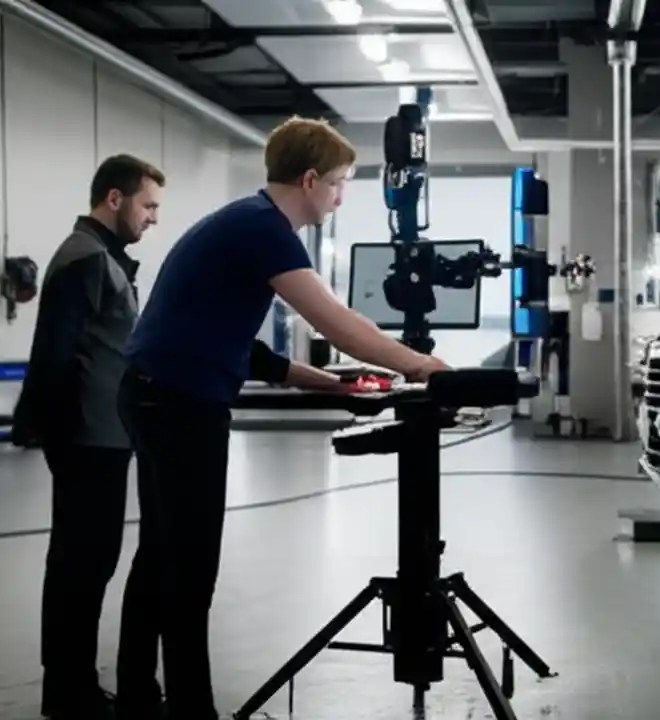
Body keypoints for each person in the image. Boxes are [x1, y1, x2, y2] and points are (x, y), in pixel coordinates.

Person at [113, 116, 449, 720]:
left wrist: (328, 382)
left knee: (161, 557)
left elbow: (240, 344)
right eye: (342, 183)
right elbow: (334, 320)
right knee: (188, 568)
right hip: (180, 404)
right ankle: (191, 710)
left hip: (154, 393)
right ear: (312, 178)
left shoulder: (242, 221)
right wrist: (422, 366)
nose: (343, 196)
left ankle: (141, 696)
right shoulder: (265, 229)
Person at [10, 154, 165, 720]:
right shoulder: (84, 258)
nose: (153, 217)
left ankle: (74, 681)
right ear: (115, 199)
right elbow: (54, 349)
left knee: (90, 561)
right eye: (148, 205)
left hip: (104, 433)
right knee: (81, 562)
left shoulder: (103, 258)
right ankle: (67, 689)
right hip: (84, 436)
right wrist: (46, 428)